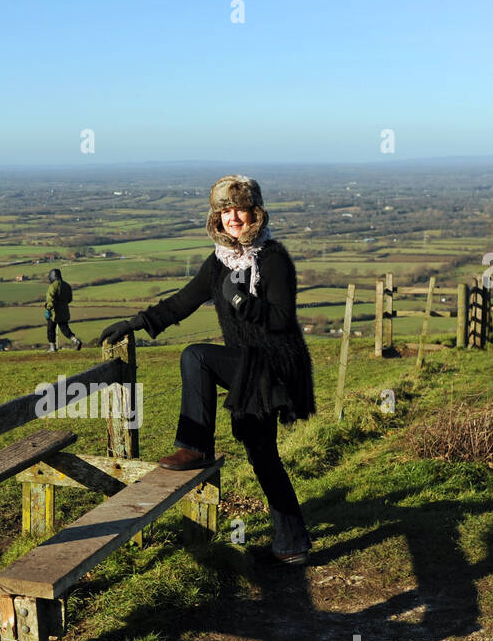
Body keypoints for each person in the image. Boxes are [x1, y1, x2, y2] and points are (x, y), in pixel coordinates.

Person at [97, 174, 315, 564]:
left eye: (240, 209)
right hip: (247, 368)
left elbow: (281, 319)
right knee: (262, 454)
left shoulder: (274, 259)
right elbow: (181, 303)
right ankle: (292, 543)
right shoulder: (217, 264)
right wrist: (135, 322)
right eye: (224, 210)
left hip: (275, 363)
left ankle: (194, 446)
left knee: (195, 356)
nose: (233, 217)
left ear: (255, 213)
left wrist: (240, 301)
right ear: (216, 217)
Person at [44, 268, 82, 352]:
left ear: (52, 276)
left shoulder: (53, 286)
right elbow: (69, 299)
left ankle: (52, 347)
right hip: (64, 311)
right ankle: (76, 340)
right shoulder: (66, 285)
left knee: (50, 329)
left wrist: (48, 309)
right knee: (65, 329)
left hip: (54, 312)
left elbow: (50, 299)